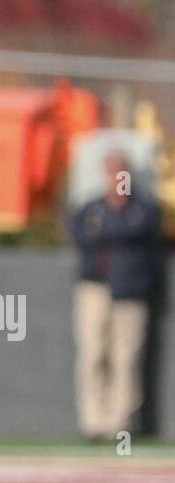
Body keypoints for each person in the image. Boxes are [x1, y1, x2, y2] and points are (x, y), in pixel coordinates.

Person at [69, 150, 163, 440]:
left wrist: (108, 229)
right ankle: (93, 423)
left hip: (131, 290)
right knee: (93, 353)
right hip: (95, 286)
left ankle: (120, 423)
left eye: (121, 172)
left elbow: (132, 231)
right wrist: (113, 229)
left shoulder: (143, 208)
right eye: (110, 172)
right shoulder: (91, 207)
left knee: (126, 358)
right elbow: (81, 235)